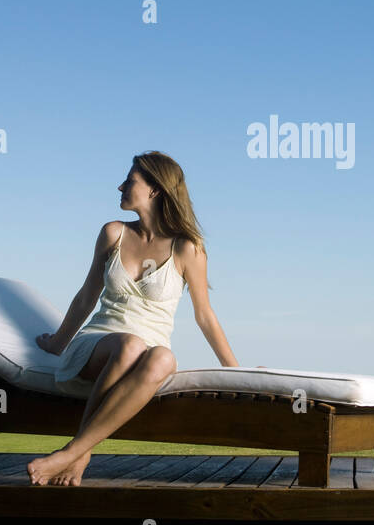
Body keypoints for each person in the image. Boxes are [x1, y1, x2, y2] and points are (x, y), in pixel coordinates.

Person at [27, 151, 238, 485]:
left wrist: (234, 373)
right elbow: (86, 297)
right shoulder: (113, 233)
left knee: (163, 358)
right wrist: (56, 343)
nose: (121, 186)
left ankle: (71, 453)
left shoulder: (187, 248)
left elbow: (205, 315)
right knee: (129, 345)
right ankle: (79, 455)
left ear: (155, 189)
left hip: (146, 353)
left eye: (131, 180)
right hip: (98, 344)